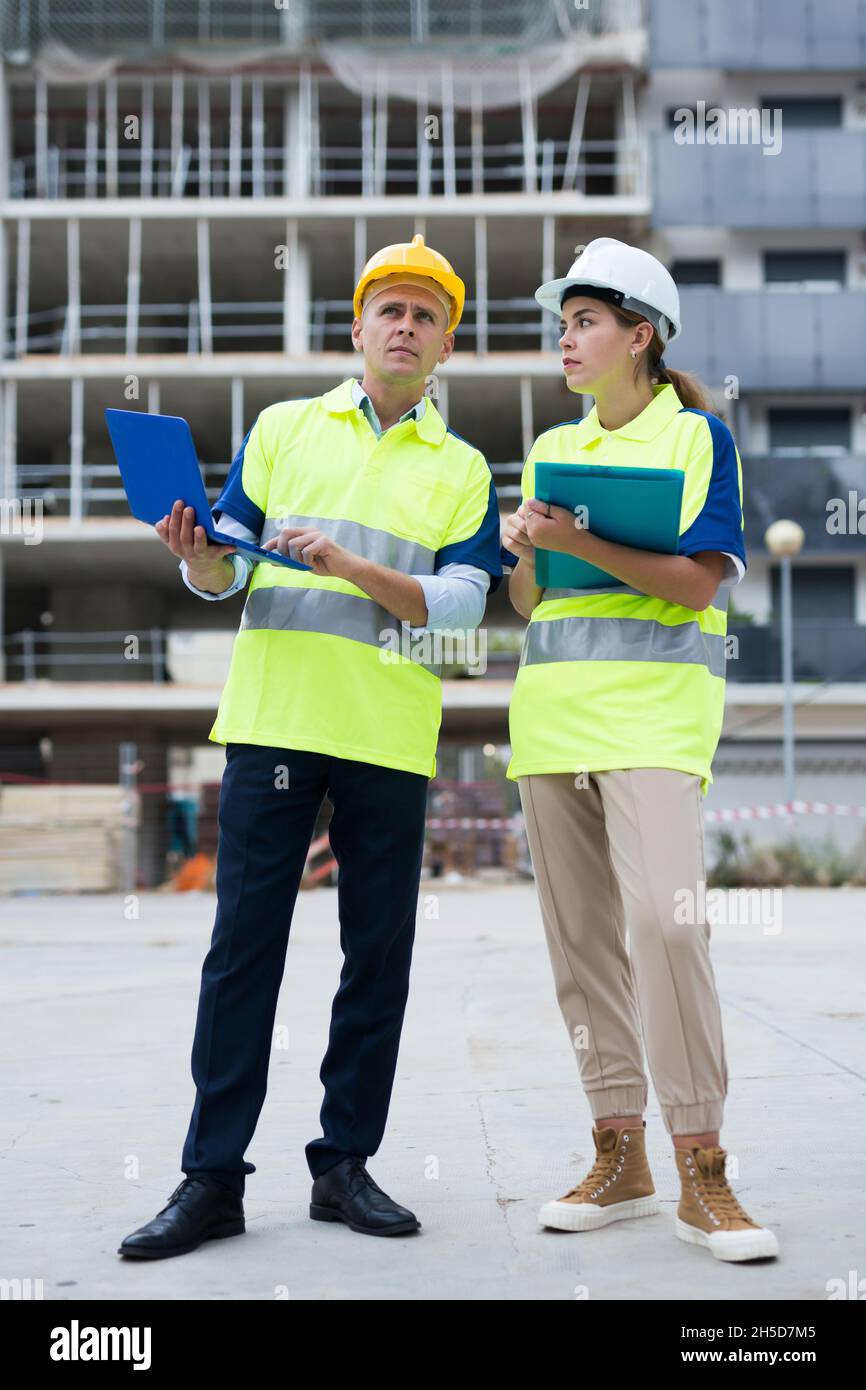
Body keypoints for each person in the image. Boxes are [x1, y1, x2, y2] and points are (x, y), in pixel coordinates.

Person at [118, 234, 503, 1259]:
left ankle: (342, 1166)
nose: (406, 327)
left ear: (444, 346)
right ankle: (212, 1179)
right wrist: (199, 556)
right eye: (391, 310)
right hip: (274, 723)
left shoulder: (462, 469)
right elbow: (227, 574)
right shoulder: (283, 429)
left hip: (385, 735)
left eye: (427, 316)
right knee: (243, 953)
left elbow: (462, 610)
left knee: (374, 956)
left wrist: (345, 564)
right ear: (357, 327)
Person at [501, 238, 778, 1263]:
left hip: (654, 719)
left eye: (584, 322)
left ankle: (702, 1168)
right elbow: (530, 604)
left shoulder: (696, 439)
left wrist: (582, 543)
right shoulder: (549, 446)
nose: (565, 339)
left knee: (665, 926)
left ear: (639, 335)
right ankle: (617, 1152)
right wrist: (527, 555)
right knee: (580, 947)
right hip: (550, 719)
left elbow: (699, 584)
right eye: (561, 323)